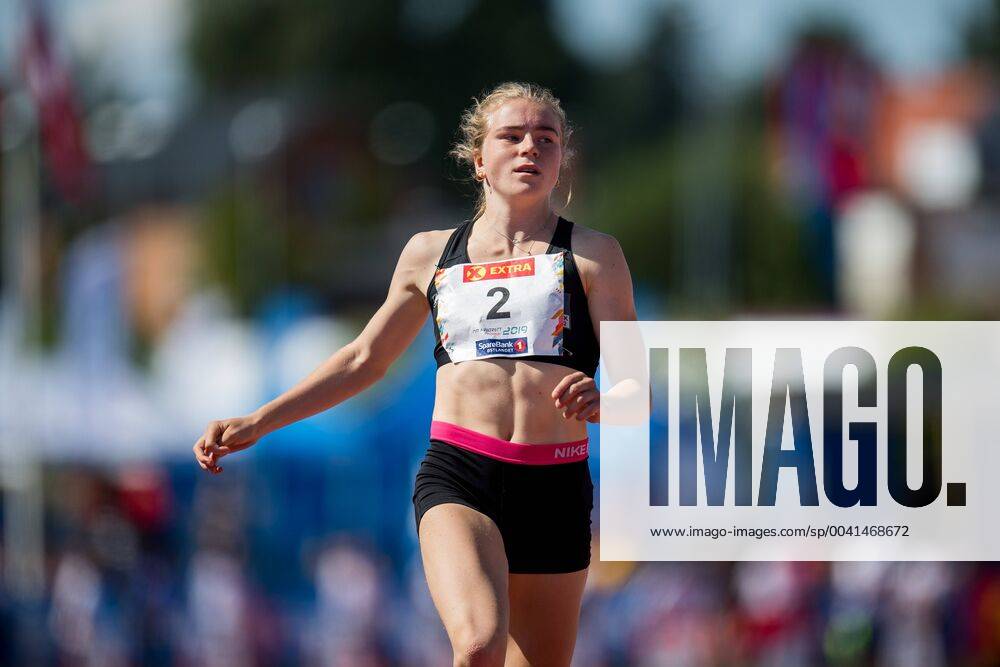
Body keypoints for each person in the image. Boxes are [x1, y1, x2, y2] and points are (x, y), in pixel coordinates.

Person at [193, 81, 638, 666]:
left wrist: (606, 400)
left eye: (546, 138)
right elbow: (363, 360)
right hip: (462, 474)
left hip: (553, 484)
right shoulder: (431, 254)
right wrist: (259, 420)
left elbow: (640, 387)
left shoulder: (594, 257)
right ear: (479, 160)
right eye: (511, 136)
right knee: (478, 644)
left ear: (560, 160)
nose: (530, 147)